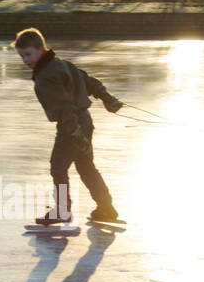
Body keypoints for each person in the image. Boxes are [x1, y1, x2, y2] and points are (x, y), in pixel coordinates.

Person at [12, 28, 123, 224]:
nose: (26, 60)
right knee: (86, 166)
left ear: (41, 49)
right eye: (22, 56)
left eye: (28, 54)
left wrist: (75, 134)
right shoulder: (62, 64)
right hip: (85, 121)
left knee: (58, 167)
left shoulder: (46, 76)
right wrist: (108, 99)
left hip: (71, 125)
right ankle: (106, 208)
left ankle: (63, 211)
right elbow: (90, 82)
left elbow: (64, 108)